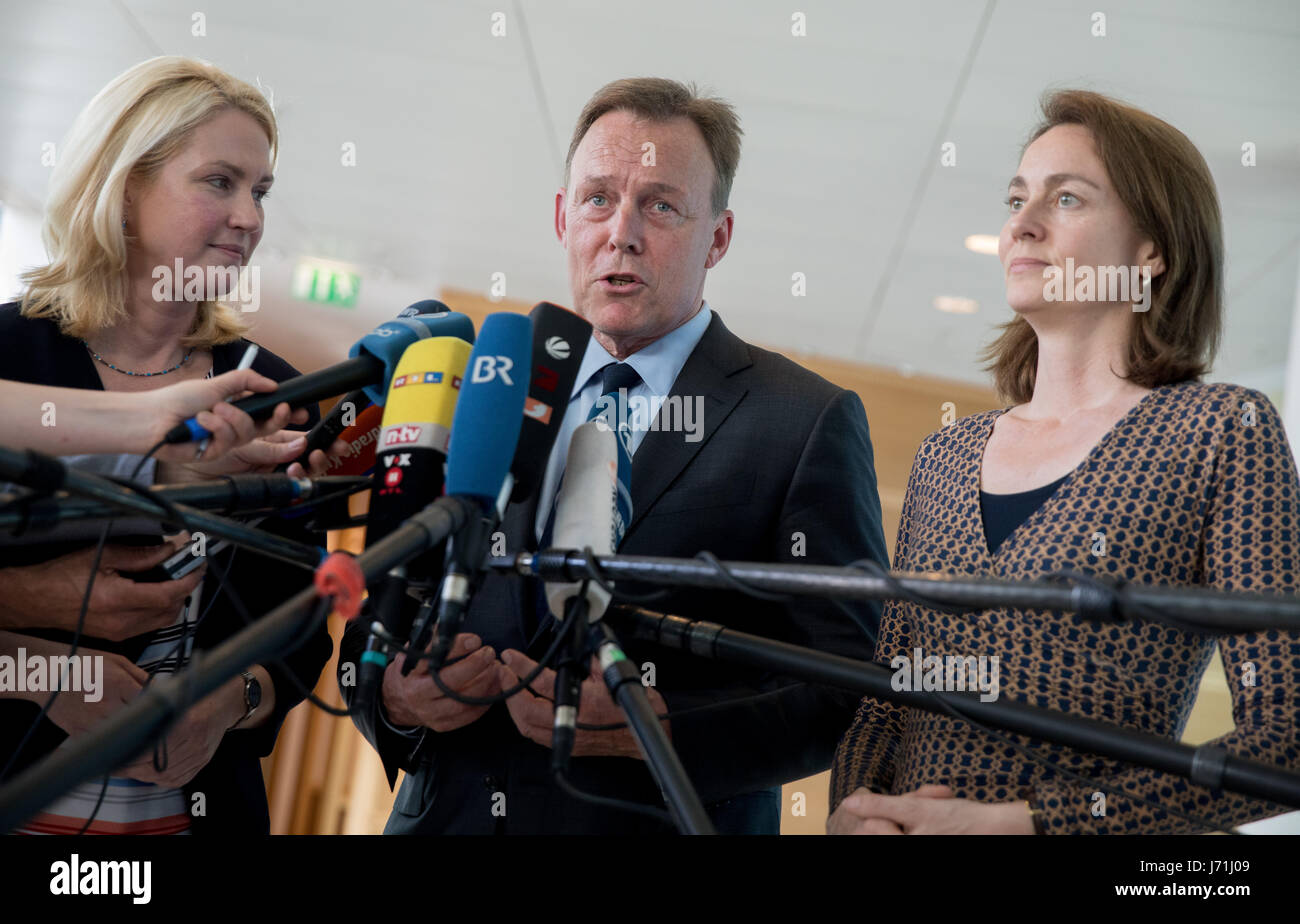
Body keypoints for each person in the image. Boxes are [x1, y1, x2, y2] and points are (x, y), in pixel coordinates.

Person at [340, 77, 888, 835]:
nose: (621, 232)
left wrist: (660, 730)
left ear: (718, 237)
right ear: (565, 217)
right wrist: (394, 700)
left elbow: (843, 682)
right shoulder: (484, 386)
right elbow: (382, 608)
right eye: (598, 198)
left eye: (660, 205)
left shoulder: (803, 419)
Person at [828, 89, 1300, 835]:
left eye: (1068, 198)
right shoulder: (945, 456)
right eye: (1016, 198)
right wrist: (853, 812)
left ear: (1152, 250)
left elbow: (1286, 742)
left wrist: (1030, 823)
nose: (1022, 223)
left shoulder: (1220, 429)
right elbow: (887, 696)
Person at [0, 56, 342, 834]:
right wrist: (35, 668)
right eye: (218, 182)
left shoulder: (273, 391)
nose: (251, 217)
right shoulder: (9, 353)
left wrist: (231, 703)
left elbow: (298, 632)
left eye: (260, 192)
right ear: (124, 190)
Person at [0, 369, 299, 459]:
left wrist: (177, 471)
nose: (250, 220)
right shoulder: (10, 338)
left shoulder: (275, 373)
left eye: (260, 211)